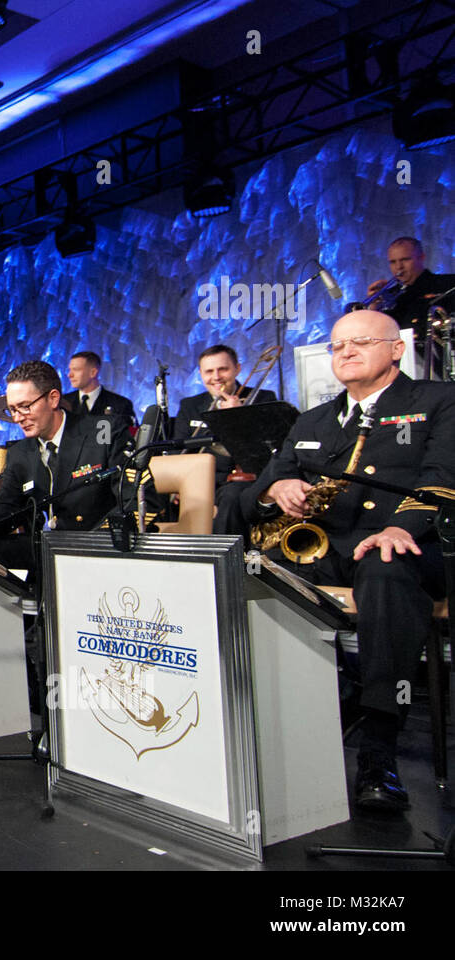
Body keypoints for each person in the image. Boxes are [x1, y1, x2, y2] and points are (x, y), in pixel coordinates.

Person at [242, 310, 454, 812]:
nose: (346, 352)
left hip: (407, 546)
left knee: (386, 569)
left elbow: (443, 477)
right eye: (337, 346)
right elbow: (250, 498)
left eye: (361, 342)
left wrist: (401, 527)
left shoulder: (438, 401)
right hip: (324, 549)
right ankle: (282, 724)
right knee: (255, 573)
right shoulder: (312, 420)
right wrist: (276, 487)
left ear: (397, 348)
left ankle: (379, 751)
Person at [0, 361, 136, 569]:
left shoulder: (104, 430)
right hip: (47, 553)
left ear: (53, 398)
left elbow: (132, 499)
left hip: (100, 550)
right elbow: (5, 508)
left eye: (25, 407)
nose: (17, 418)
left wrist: (94, 544)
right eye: (12, 410)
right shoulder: (20, 451)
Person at [171, 344, 278, 534]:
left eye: (223, 369)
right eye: (209, 371)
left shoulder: (263, 397)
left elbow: (268, 449)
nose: (216, 377)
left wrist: (236, 418)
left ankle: (226, 560)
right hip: (204, 480)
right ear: (201, 374)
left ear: (237, 369)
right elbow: (179, 450)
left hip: (246, 480)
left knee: (233, 495)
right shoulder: (190, 405)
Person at [363, 237, 454, 343]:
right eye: (393, 262)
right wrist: (374, 307)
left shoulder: (448, 283)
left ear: (421, 257)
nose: (399, 267)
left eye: (405, 259)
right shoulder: (390, 295)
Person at [63, 351, 136, 430]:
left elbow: (128, 437)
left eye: (76, 369)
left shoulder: (120, 405)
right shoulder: (63, 402)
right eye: (70, 370)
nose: (70, 375)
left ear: (93, 372)